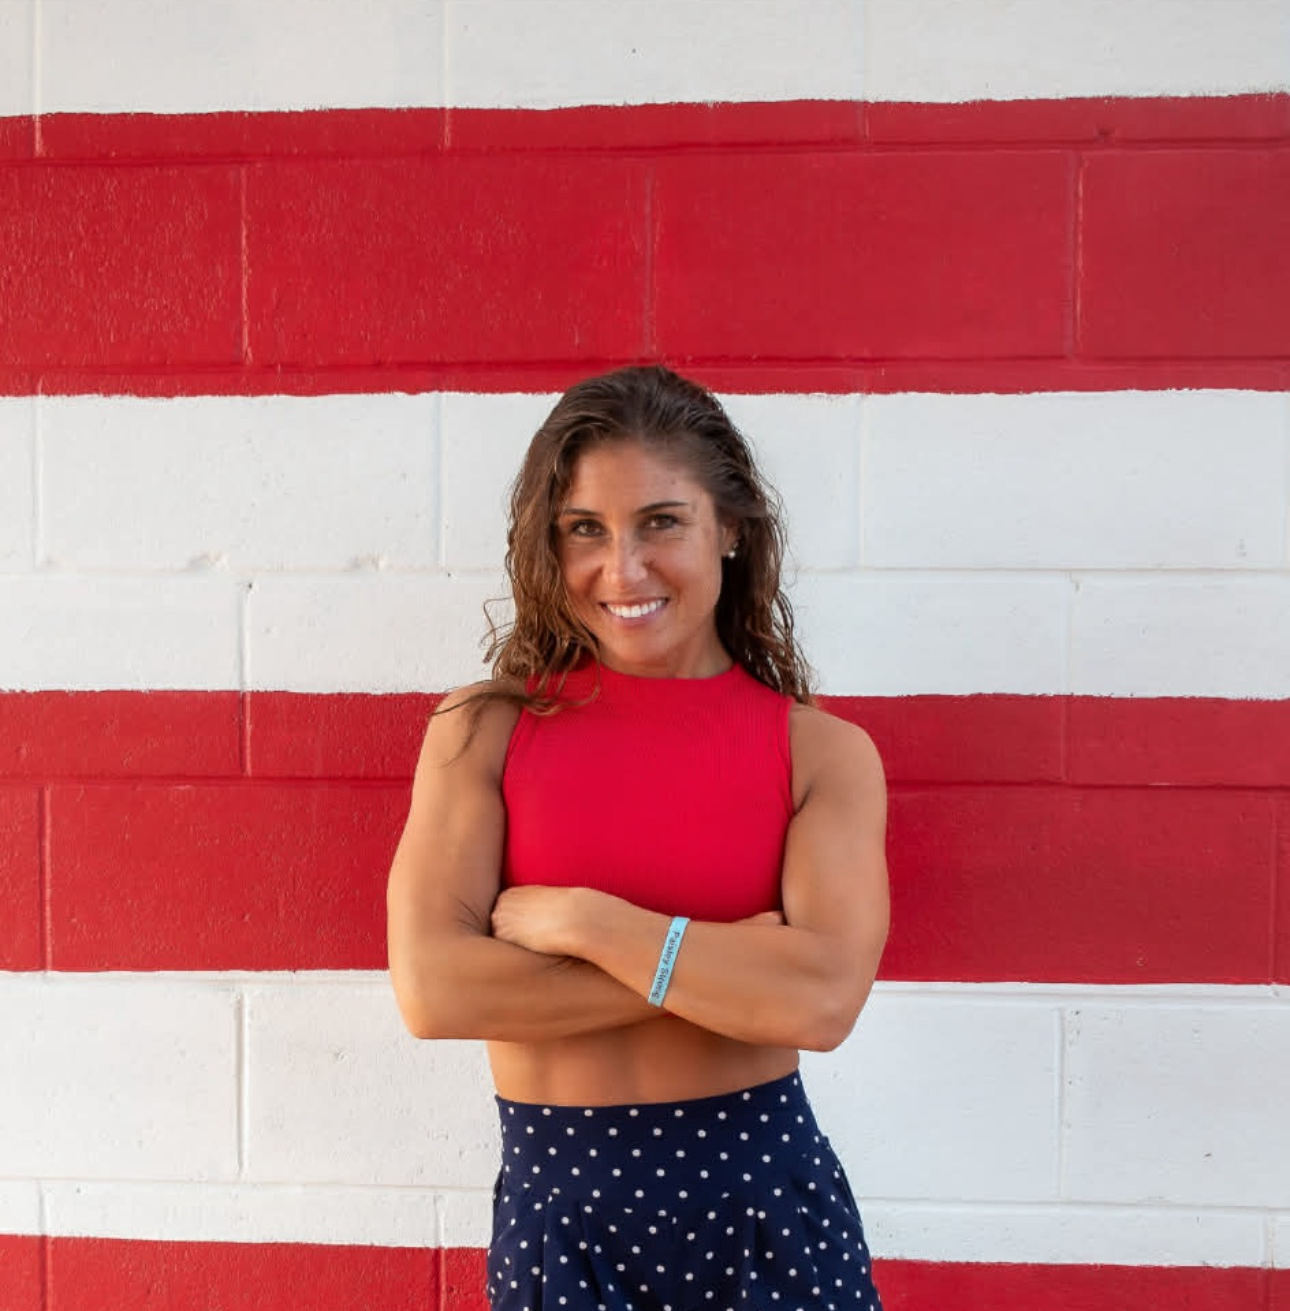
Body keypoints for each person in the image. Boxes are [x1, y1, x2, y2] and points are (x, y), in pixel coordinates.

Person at [387, 365, 888, 1311]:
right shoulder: (482, 730)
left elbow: (822, 1002)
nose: (622, 570)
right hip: (561, 1224)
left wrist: (591, 924)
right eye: (586, 529)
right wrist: (730, 969)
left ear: (730, 527)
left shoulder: (822, 753)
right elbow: (434, 989)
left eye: (661, 522)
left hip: (767, 1220)